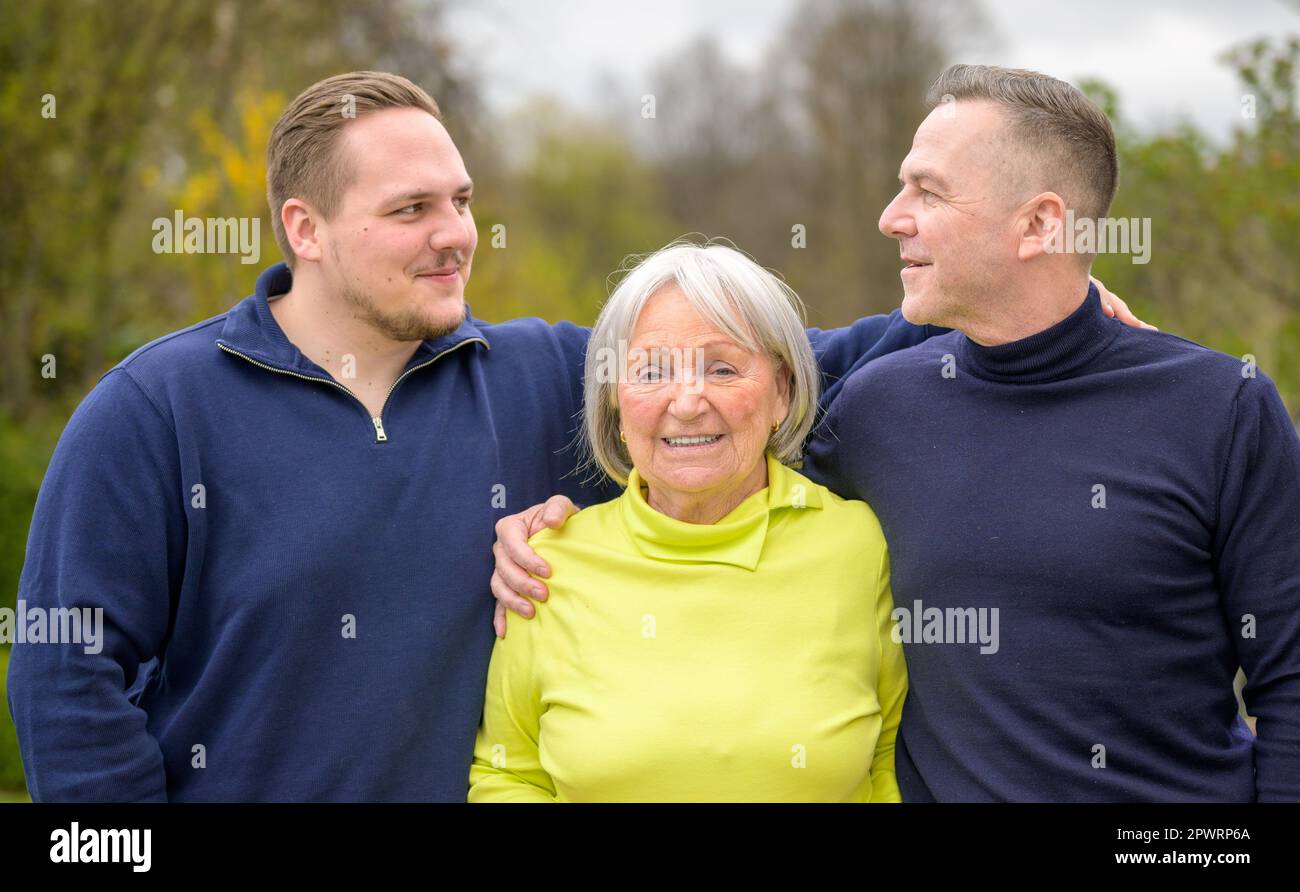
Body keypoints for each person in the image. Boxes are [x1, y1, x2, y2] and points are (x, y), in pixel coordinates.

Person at [8, 70, 1015, 801]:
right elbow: (69, 677)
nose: (457, 234)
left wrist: (1023, 304)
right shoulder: (157, 409)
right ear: (305, 229)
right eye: (410, 209)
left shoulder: (532, 373)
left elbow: (749, 364)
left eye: (461, 201)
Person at [488, 65, 1300, 802]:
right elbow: (705, 440)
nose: (889, 217)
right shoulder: (880, 407)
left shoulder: (1219, 408)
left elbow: (1290, 680)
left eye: (928, 192)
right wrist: (550, 527)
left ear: (1039, 225)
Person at [469, 242, 905, 802]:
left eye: (722, 368)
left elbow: (891, 759)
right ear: (615, 406)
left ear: (782, 393)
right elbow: (510, 775)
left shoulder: (858, 546)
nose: (688, 401)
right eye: (652, 372)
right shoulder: (548, 563)